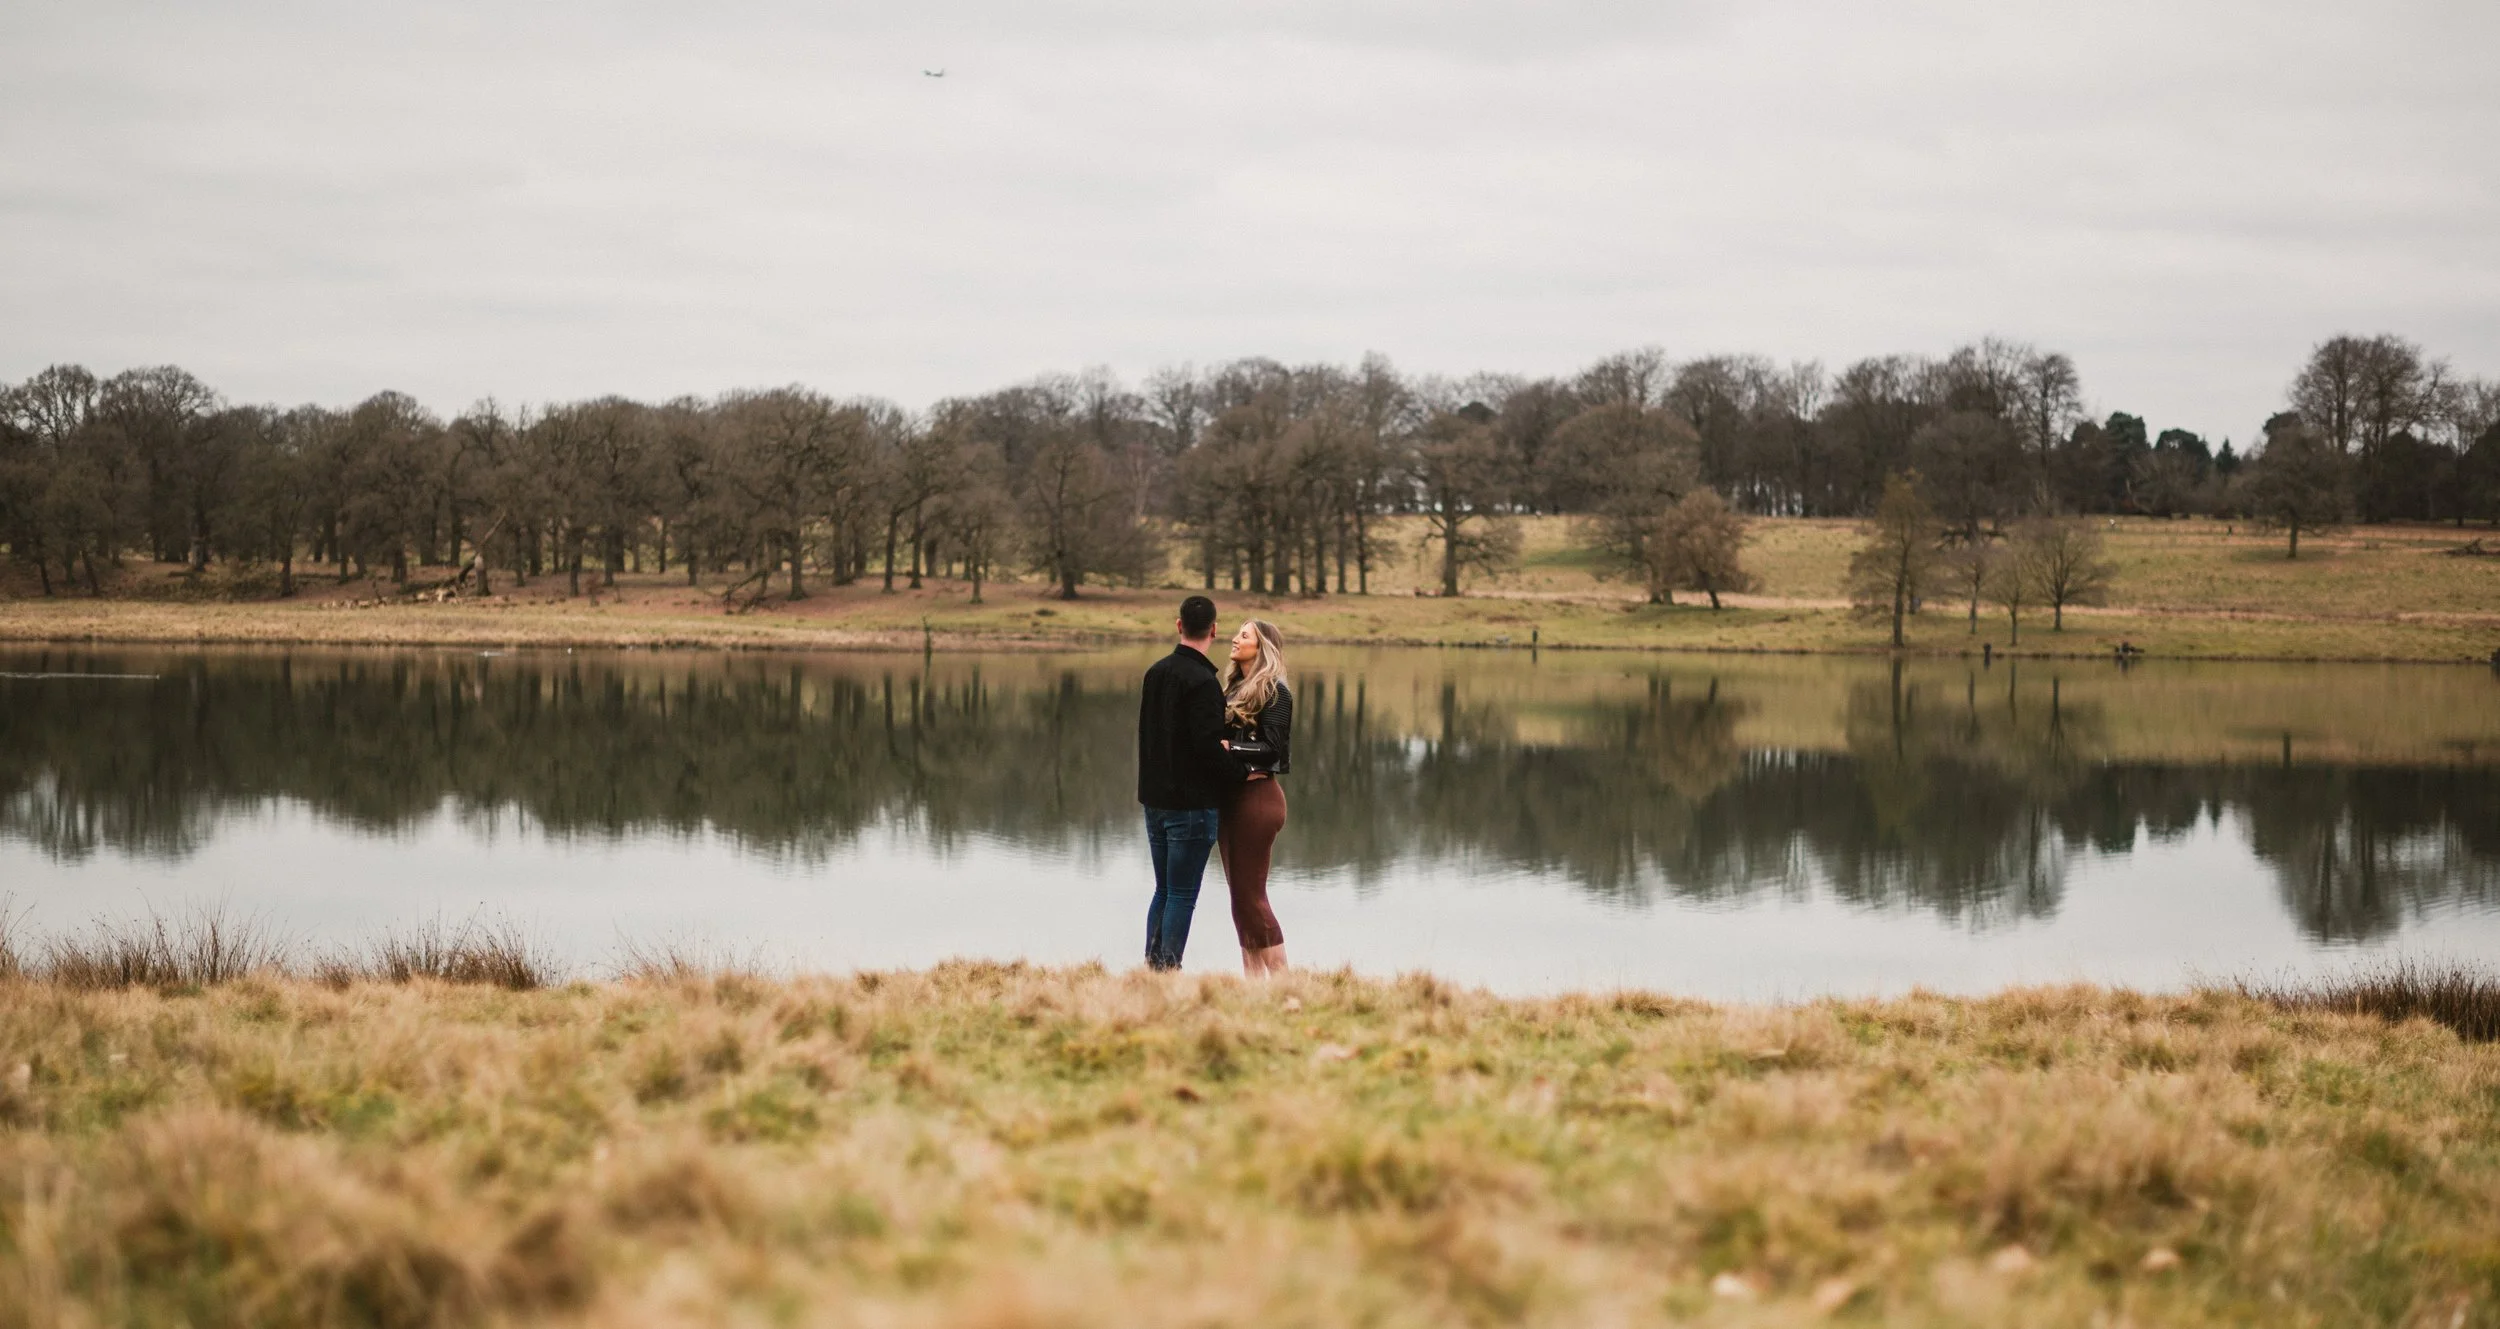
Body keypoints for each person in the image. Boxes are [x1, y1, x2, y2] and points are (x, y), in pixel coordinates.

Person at [1136, 595, 1250, 970]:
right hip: (1191, 807)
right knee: (1182, 894)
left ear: (1178, 625)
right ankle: (1167, 969)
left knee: (1164, 890)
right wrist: (1240, 774)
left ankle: (1153, 968)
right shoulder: (1203, 682)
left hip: (1154, 802)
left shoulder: (1155, 672)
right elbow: (1207, 747)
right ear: (1214, 630)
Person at [1218, 619, 1292, 977]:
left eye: (1244, 635)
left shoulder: (1276, 692)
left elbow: (1273, 749)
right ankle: (1252, 985)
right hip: (1232, 800)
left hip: (1259, 799)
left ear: (1262, 647)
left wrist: (1232, 747)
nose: (1234, 639)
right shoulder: (1234, 687)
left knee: (1251, 895)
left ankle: (1283, 983)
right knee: (1239, 897)